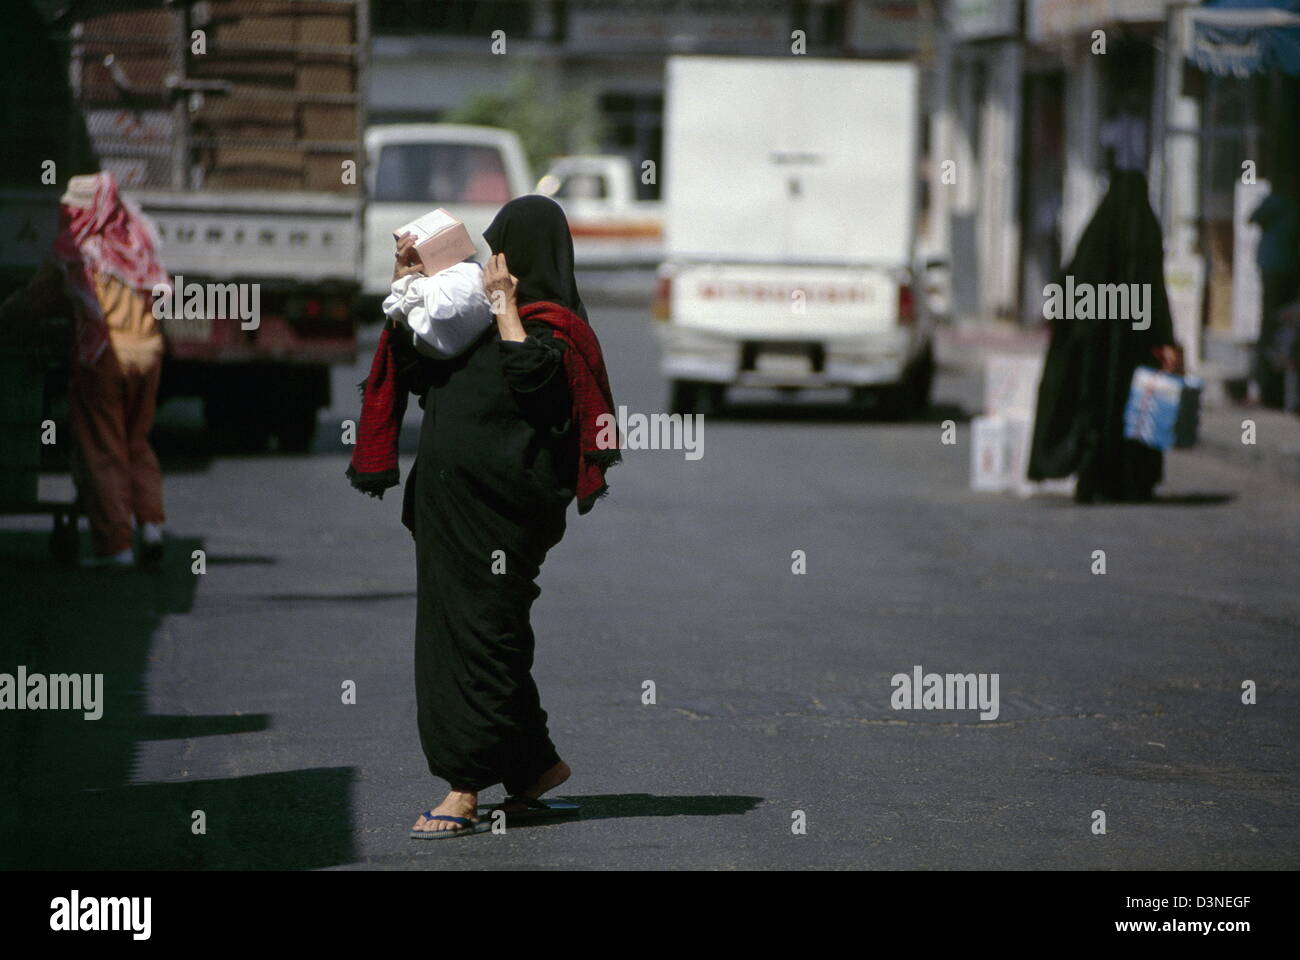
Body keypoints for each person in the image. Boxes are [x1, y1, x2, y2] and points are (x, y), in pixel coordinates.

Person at [347, 195, 620, 838]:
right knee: (466, 635)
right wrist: (409, 284)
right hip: (450, 507)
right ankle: (531, 770)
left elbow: (535, 384)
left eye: (504, 245)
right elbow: (414, 363)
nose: (493, 259)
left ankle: (463, 786)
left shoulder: (554, 326)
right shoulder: (469, 318)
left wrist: (504, 309)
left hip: (504, 518)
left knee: (481, 640)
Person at [0, 171, 169, 565]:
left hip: (103, 361)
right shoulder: (137, 240)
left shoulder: (77, 251)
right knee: (136, 441)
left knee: (103, 450)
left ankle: (116, 547)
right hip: (147, 356)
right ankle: (152, 525)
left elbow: (34, 303)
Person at [1027, 170, 1178, 503]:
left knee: (1094, 410)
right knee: (1136, 411)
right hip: (1136, 350)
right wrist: (1165, 340)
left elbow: (1072, 283)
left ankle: (1092, 478)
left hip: (1093, 351)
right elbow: (1155, 295)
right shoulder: (1146, 231)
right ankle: (1131, 480)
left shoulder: (1098, 234)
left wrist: (1072, 329)